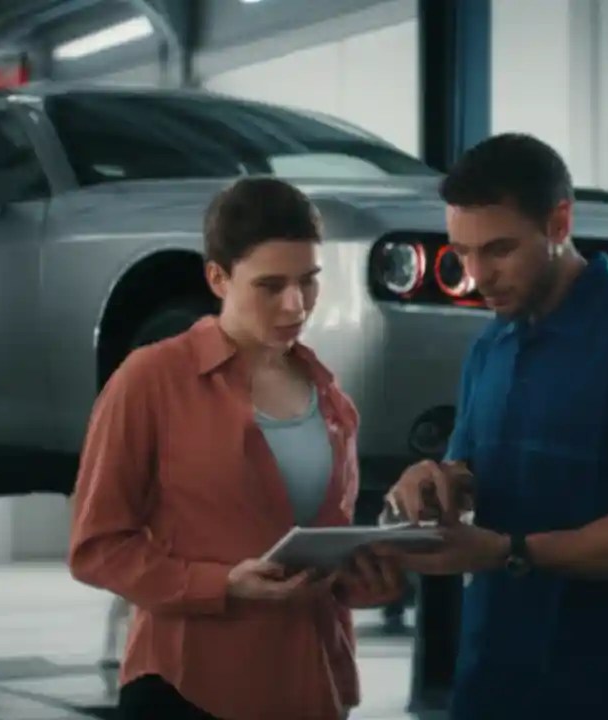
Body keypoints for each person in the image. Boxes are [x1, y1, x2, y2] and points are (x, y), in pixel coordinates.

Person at [380, 133, 608, 720]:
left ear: (559, 222)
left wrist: (511, 552)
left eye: (498, 249)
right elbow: (475, 477)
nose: (476, 276)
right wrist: (435, 482)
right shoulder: (490, 348)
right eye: (461, 252)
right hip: (491, 685)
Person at [68, 176, 405, 720]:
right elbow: (97, 547)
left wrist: (362, 582)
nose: (296, 305)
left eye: (308, 282)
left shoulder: (331, 397)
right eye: (270, 286)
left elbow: (318, 549)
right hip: (186, 688)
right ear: (218, 278)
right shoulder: (151, 380)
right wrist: (221, 584)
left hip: (310, 686)